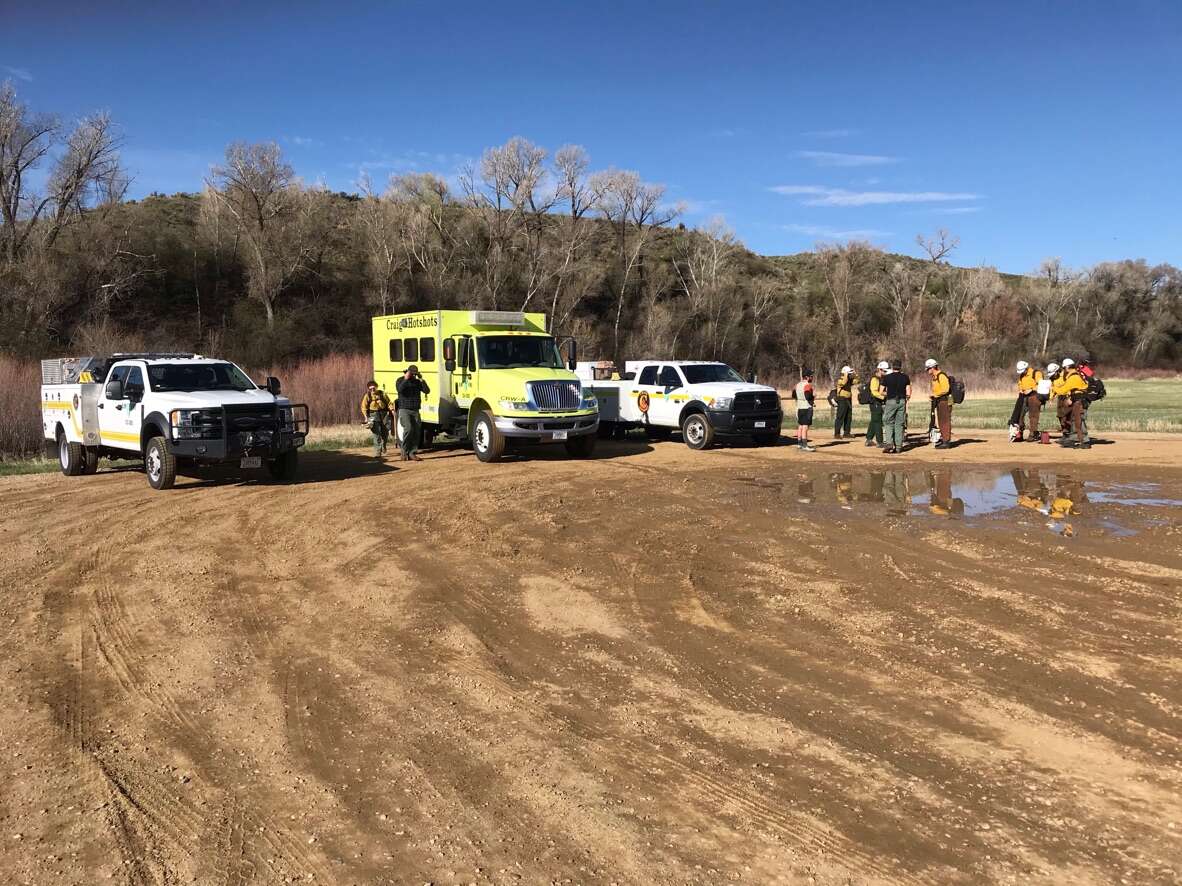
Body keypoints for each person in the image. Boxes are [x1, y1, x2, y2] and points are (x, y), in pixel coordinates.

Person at [395, 364, 431, 461]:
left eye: (415, 374)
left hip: (415, 409)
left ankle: (412, 452)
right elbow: (399, 390)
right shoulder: (400, 380)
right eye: (412, 374)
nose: (413, 376)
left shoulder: (417, 382)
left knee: (416, 431)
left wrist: (422, 380)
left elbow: (427, 391)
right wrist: (406, 379)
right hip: (404, 409)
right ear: (407, 372)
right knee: (408, 428)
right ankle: (404, 450)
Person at [1057, 359, 1090, 449]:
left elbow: (1063, 390)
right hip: (1078, 400)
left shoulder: (1073, 377)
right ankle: (1078, 440)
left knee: (1079, 421)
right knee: (1075, 419)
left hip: (1079, 402)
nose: (1064, 370)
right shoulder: (1075, 375)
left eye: (1064, 368)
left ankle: (1084, 442)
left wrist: (1053, 389)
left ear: (1067, 367)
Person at [881, 359, 911, 454]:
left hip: (891, 401)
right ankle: (898, 447)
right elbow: (909, 391)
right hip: (902, 401)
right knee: (899, 424)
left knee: (888, 421)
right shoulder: (905, 377)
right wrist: (906, 398)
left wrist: (888, 393)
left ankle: (889, 444)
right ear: (900, 366)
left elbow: (881, 391)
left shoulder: (887, 377)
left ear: (892, 366)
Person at [360, 379, 394, 458]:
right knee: (376, 434)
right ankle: (377, 452)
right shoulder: (367, 396)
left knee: (385, 433)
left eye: (374, 388)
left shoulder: (382, 394)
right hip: (373, 415)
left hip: (384, 414)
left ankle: (383, 445)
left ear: (376, 387)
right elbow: (363, 407)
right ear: (368, 389)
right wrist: (366, 417)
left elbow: (389, 403)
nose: (372, 390)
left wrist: (392, 410)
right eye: (370, 389)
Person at [924, 358, 953, 449]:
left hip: (945, 400)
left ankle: (946, 441)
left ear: (933, 368)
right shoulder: (935, 377)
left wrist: (935, 394)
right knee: (941, 421)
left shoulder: (941, 376)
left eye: (928, 368)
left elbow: (945, 389)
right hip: (940, 401)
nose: (927, 371)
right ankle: (944, 439)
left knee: (945, 421)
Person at [1016, 360, 1044, 442]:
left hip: (1035, 396)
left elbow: (1041, 385)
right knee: (1020, 415)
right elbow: (1020, 384)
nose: (1022, 373)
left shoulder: (1036, 373)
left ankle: (1033, 434)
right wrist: (1021, 389)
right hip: (1024, 396)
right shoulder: (1022, 375)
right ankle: (1020, 433)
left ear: (1026, 368)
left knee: (1033, 416)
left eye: (1022, 371)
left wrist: (1031, 389)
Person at [865, 361, 889, 448]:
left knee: (874, 421)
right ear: (879, 369)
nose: (885, 373)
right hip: (875, 402)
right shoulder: (874, 379)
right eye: (884, 371)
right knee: (878, 421)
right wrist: (883, 397)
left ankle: (869, 439)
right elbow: (874, 392)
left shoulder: (880, 379)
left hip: (877, 402)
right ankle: (880, 442)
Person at [793, 369, 817, 452]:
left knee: (800, 425)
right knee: (805, 426)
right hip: (807, 407)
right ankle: (805, 445)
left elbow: (793, 395)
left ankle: (799, 443)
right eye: (811, 376)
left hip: (799, 407)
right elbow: (807, 396)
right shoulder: (807, 385)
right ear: (807, 377)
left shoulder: (797, 385)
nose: (812, 378)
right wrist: (813, 396)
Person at [833, 365, 858, 438]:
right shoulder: (840, 380)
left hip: (848, 399)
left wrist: (855, 374)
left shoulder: (849, 380)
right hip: (842, 399)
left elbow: (857, 381)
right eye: (848, 373)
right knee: (840, 416)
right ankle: (837, 433)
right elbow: (843, 383)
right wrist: (846, 375)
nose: (850, 374)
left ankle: (847, 433)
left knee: (848, 417)